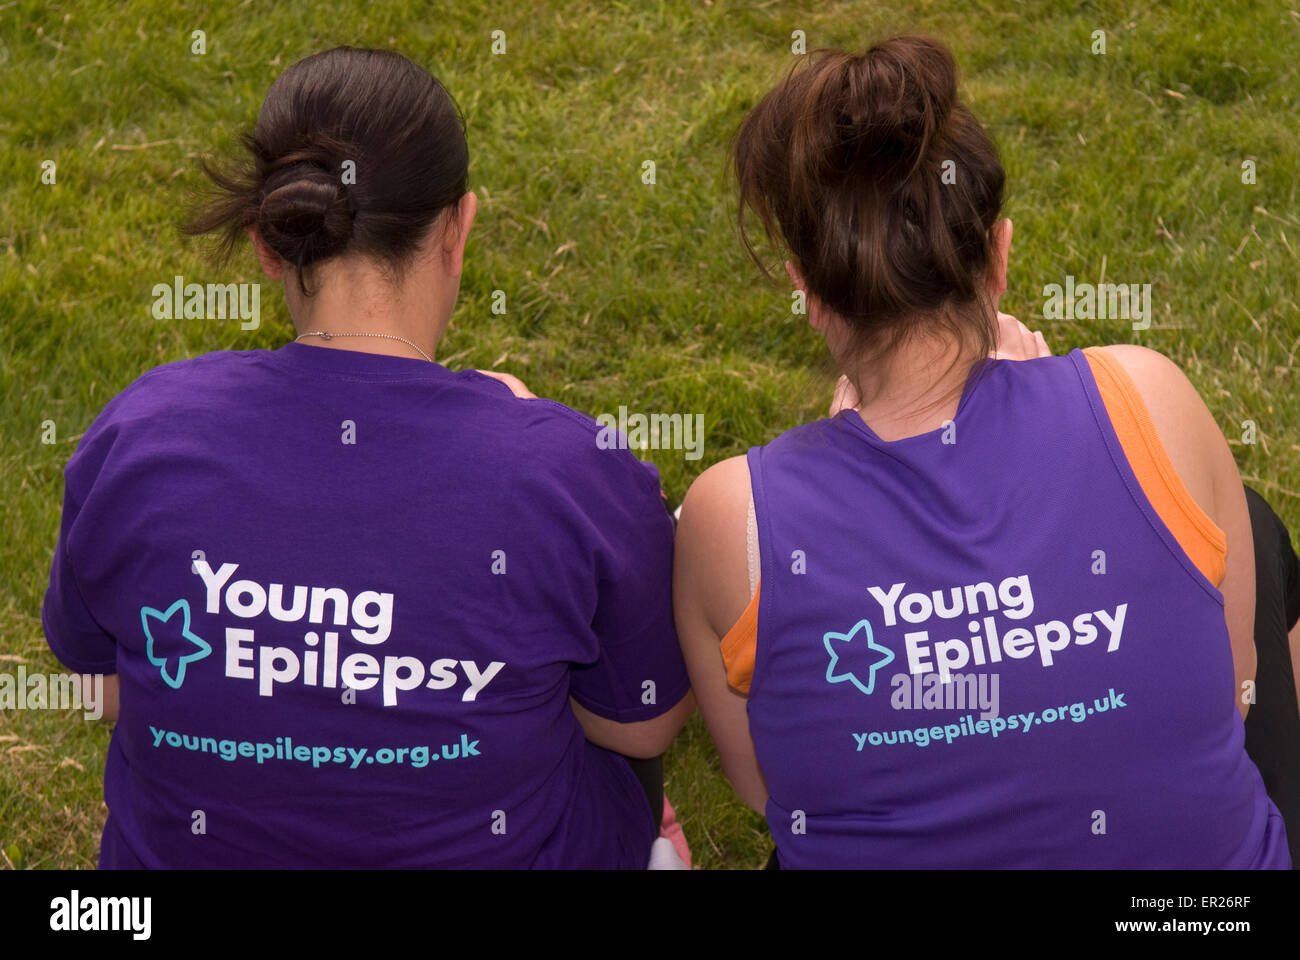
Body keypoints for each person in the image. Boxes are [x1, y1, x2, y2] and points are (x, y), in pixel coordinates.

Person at [41, 45, 693, 868]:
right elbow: (642, 721)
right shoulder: (567, 469)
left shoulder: (144, 432)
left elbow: (98, 683)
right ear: (459, 227)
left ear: (269, 244)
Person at [673, 35, 1299, 868]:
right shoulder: (1150, 396)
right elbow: (1229, 690)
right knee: (1243, 530)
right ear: (998, 255)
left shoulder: (729, 520)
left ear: (810, 294)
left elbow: (772, 790)